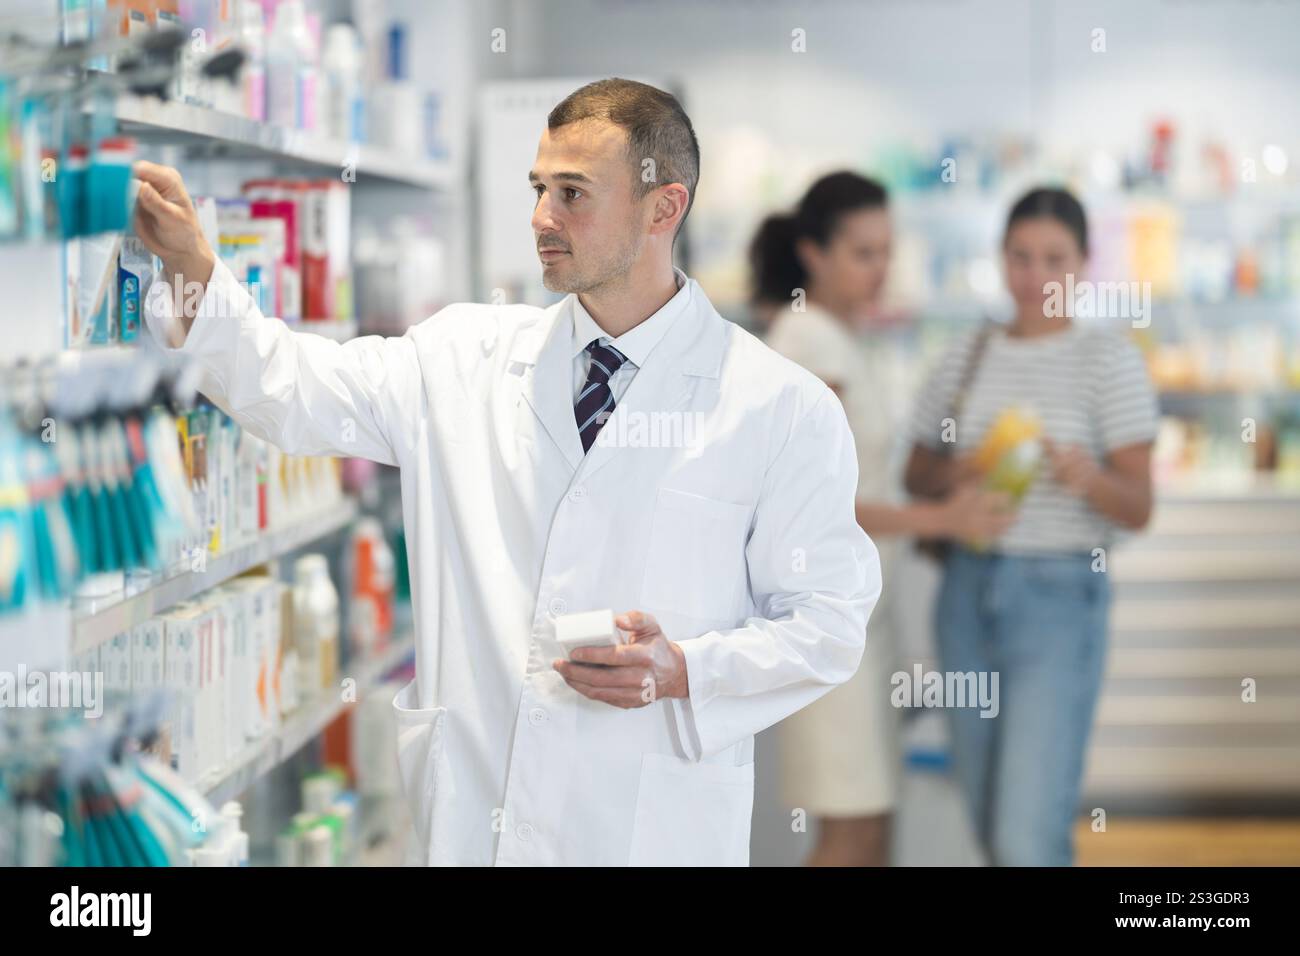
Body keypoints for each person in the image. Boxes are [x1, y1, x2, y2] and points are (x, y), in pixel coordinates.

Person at [131, 78, 880, 866]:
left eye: (573, 193)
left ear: (665, 208)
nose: (541, 219)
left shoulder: (779, 406)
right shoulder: (460, 357)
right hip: (478, 820)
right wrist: (191, 267)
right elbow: (290, 388)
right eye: (537, 188)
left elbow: (829, 622)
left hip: (647, 830)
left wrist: (686, 668)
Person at [753, 172, 1014, 866]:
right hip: (827, 626)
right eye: (862, 253)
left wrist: (951, 483)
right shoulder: (806, 344)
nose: (880, 270)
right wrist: (942, 516)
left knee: (874, 827)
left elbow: (866, 473)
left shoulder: (840, 339)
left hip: (865, 624)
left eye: (886, 252)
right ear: (813, 252)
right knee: (852, 830)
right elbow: (817, 505)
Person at [904, 187, 1158, 866]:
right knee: (990, 822)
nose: (1035, 277)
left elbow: (1138, 504)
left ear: (1083, 263)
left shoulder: (1110, 359)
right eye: (1020, 257)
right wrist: (962, 472)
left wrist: (1088, 478)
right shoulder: (966, 355)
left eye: (1053, 258)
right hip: (965, 594)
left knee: (1027, 836)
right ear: (1001, 259)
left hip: (1059, 599)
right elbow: (916, 474)